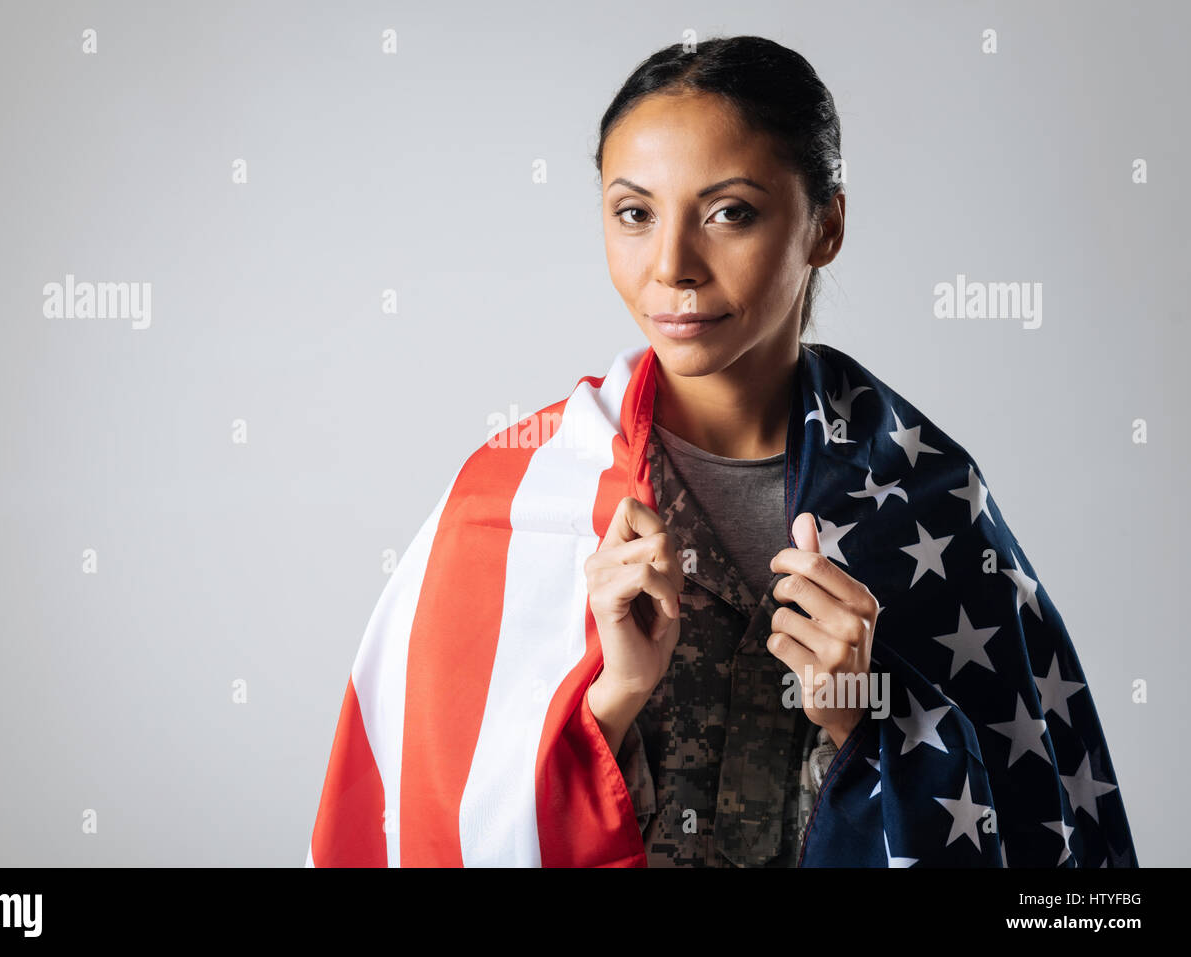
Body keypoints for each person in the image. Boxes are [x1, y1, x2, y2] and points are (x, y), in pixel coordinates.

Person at [307, 35, 1137, 868]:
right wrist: (611, 697)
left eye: (729, 212)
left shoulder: (929, 497)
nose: (672, 266)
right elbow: (435, 815)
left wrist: (865, 710)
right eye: (635, 213)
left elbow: (1036, 824)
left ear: (827, 225)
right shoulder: (519, 498)